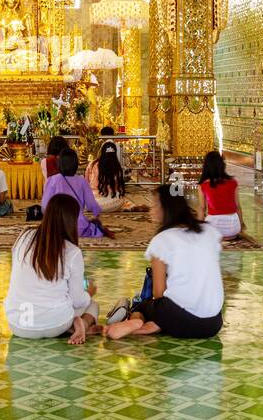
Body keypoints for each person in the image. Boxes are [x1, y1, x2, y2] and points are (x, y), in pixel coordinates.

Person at [105, 184, 224, 340]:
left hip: (182, 321)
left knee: (143, 304)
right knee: (175, 304)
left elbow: (159, 293)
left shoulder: (161, 240)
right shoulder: (210, 232)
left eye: (155, 205)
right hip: (213, 323)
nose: (151, 209)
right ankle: (156, 325)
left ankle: (137, 324)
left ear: (166, 208)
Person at [5, 194, 99, 344]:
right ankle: (81, 325)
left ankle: (71, 323)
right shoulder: (72, 252)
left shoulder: (24, 236)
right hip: (56, 325)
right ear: (72, 221)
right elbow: (77, 301)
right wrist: (89, 293)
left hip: (17, 324)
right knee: (93, 306)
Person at [42, 147, 111, 239]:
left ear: (60, 163)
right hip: (78, 227)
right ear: (76, 164)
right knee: (93, 227)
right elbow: (92, 205)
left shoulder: (52, 180)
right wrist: (96, 215)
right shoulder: (82, 181)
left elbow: (44, 207)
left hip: (56, 228)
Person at [198, 150, 247, 241]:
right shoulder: (233, 182)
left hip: (214, 228)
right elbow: (238, 207)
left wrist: (199, 229)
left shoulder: (203, 185)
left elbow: (202, 208)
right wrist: (241, 225)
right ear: (222, 165)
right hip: (233, 228)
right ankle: (230, 235)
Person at [87, 141, 135, 213]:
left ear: (101, 152)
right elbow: (119, 188)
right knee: (123, 199)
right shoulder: (117, 166)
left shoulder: (92, 164)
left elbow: (87, 181)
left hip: (93, 203)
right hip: (113, 203)